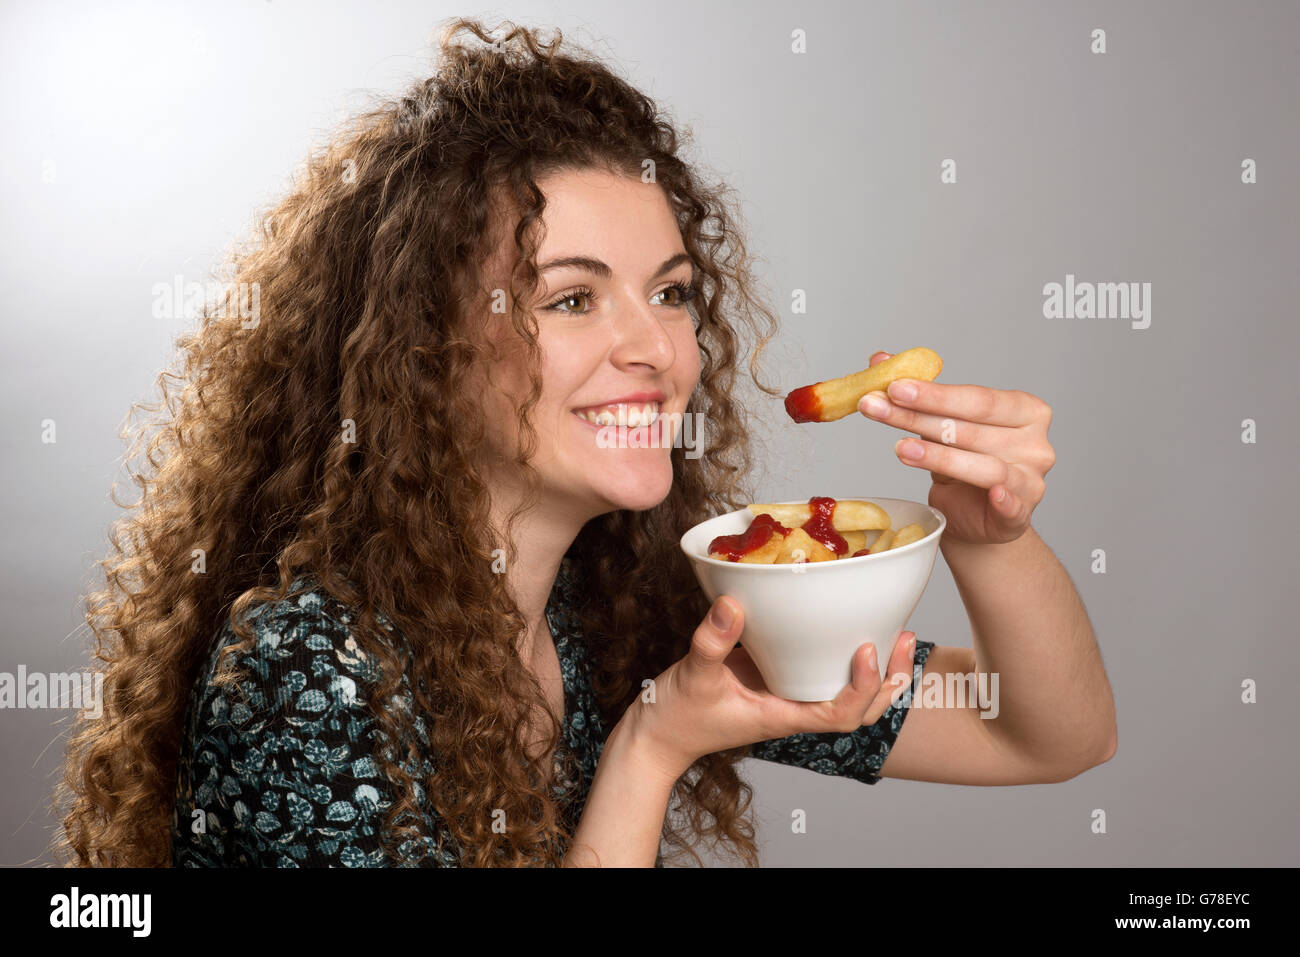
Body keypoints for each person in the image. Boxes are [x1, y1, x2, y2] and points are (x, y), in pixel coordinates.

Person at [56, 17, 1115, 869]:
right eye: (571, 299)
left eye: (669, 293)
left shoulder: (618, 610)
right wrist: (650, 749)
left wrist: (987, 538)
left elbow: (1043, 735)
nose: (655, 348)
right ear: (421, 346)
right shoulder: (311, 667)